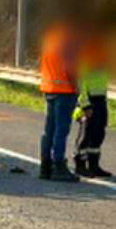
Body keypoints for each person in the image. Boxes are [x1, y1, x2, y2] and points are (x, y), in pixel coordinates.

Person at [37, 19, 81, 182]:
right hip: (64, 91)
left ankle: (45, 166)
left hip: (49, 88)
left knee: (49, 130)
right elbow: (70, 68)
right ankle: (59, 167)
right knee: (61, 131)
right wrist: (76, 86)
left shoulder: (48, 40)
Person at [71, 32, 111, 178]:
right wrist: (85, 105)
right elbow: (80, 83)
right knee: (86, 134)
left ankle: (94, 165)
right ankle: (80, 165)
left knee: (99, 133)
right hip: (89, 101)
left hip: (101, 99)